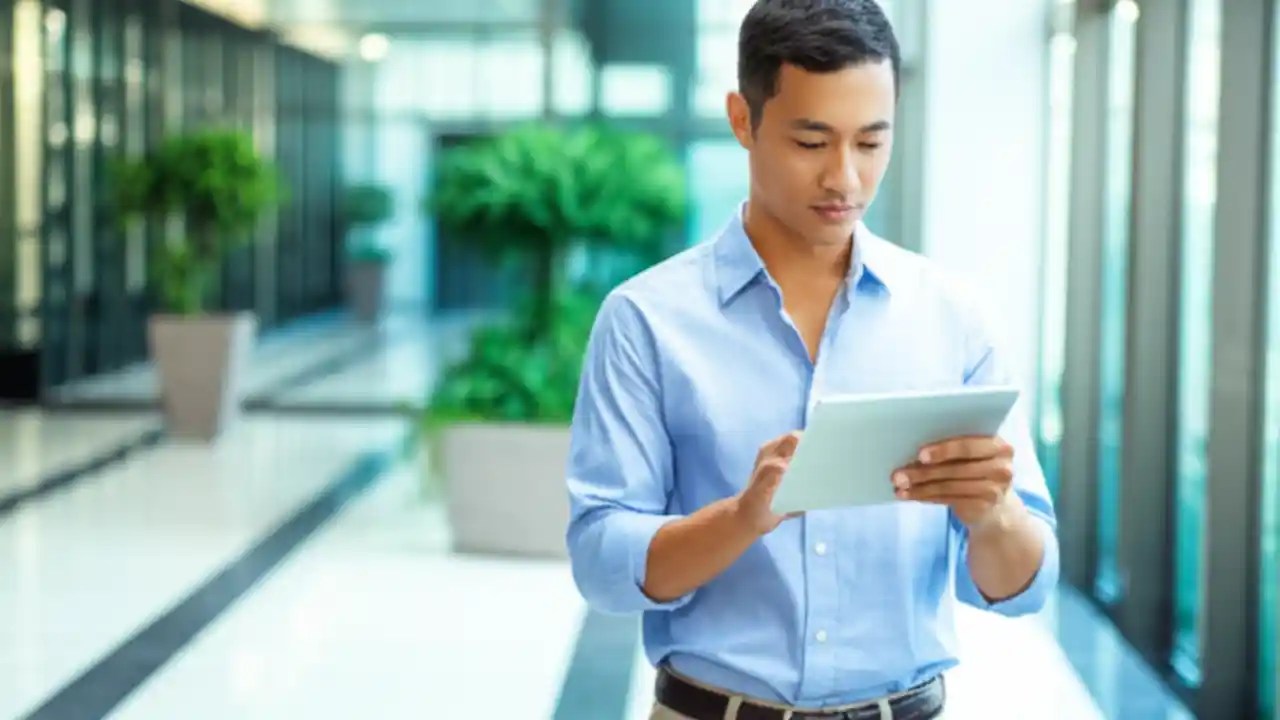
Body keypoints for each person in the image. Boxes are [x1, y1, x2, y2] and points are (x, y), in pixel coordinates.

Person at [564, 1, 1060, 717]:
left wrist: (994, 514)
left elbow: (1027, 586)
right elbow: (603, 563)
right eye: (811, 141)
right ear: (743, 120)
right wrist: (741, 518)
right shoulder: (646, 320)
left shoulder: (954, 318)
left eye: (870, 143)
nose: (845, 180)